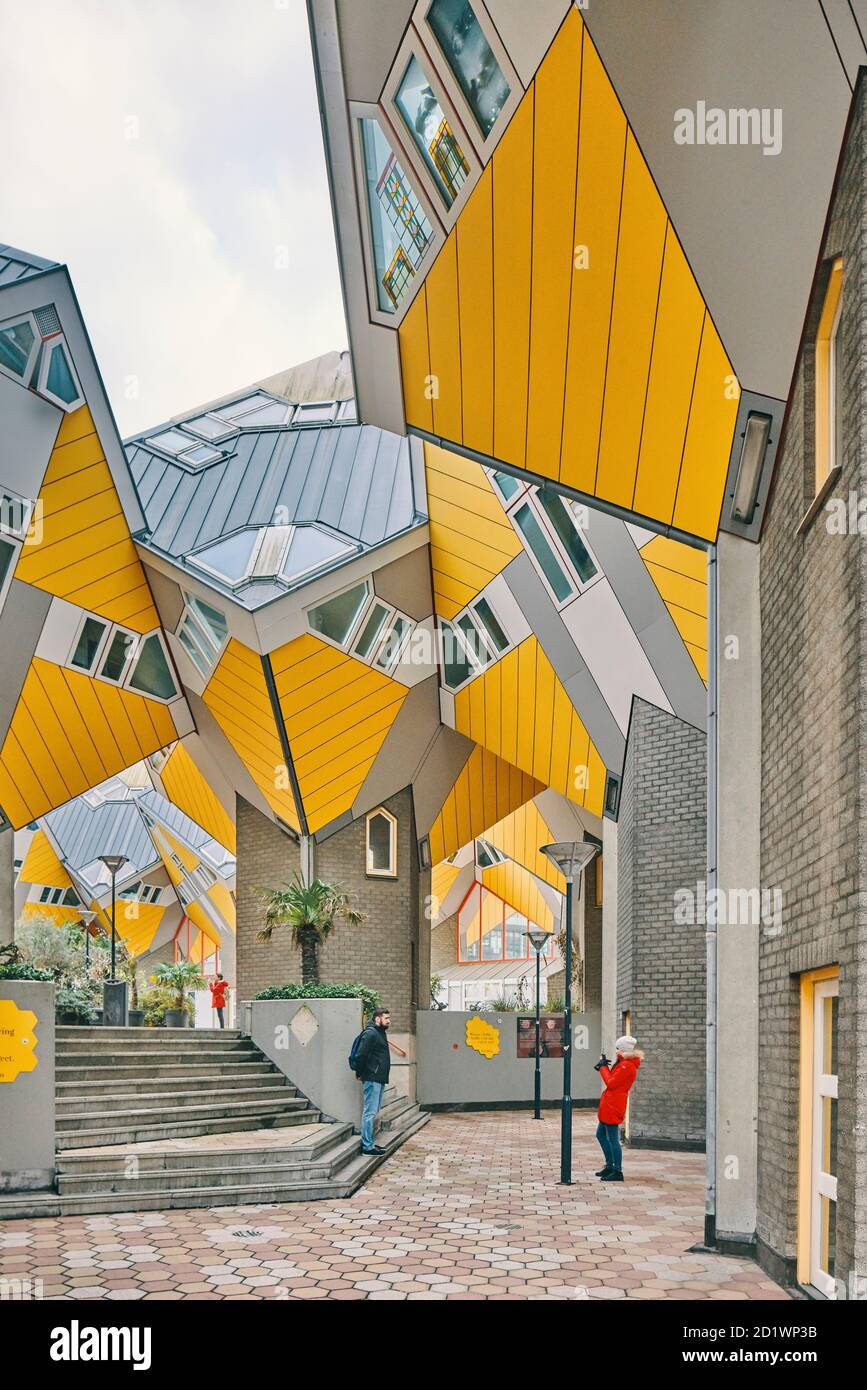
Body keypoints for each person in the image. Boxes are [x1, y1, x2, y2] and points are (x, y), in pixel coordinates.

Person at [594, 1034, 643, 1182]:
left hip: (613, 1105)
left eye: (618, 1049)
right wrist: (604, 1067)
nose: (616, 1051)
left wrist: (603, 1067)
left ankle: (617, 1170)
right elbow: (612, 1080)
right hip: (609, 1104)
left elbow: (611, 1083)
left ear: (624, 1050)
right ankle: (610, 1166)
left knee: (613, 1139)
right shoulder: (623, 1063)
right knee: (601, 1135)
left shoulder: (626, 1066)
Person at [354, 1006, 391, 1156]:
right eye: (386, 1018)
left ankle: (370, 1144)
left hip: (379, 1077)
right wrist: (360, 1072)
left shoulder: (379, 1033)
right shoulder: (371, 1034)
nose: (389, 1021)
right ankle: (367, 1147)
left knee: (373, 1111)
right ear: (378, 1018)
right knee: (369, 1112)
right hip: (372, 1077)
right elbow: (360, 1055)